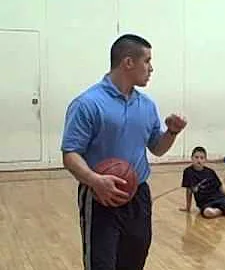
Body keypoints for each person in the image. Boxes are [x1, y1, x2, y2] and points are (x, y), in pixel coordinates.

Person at [61, 34, 187, 270]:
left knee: (133, 264)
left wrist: (171, 132)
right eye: (147, 61)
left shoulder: (147, 105)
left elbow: (157, 149)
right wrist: (95, 181)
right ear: (128, 63)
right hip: (101, 197)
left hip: (138, 197)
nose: (151, 68)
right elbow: (70, 154)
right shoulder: (88, 103)